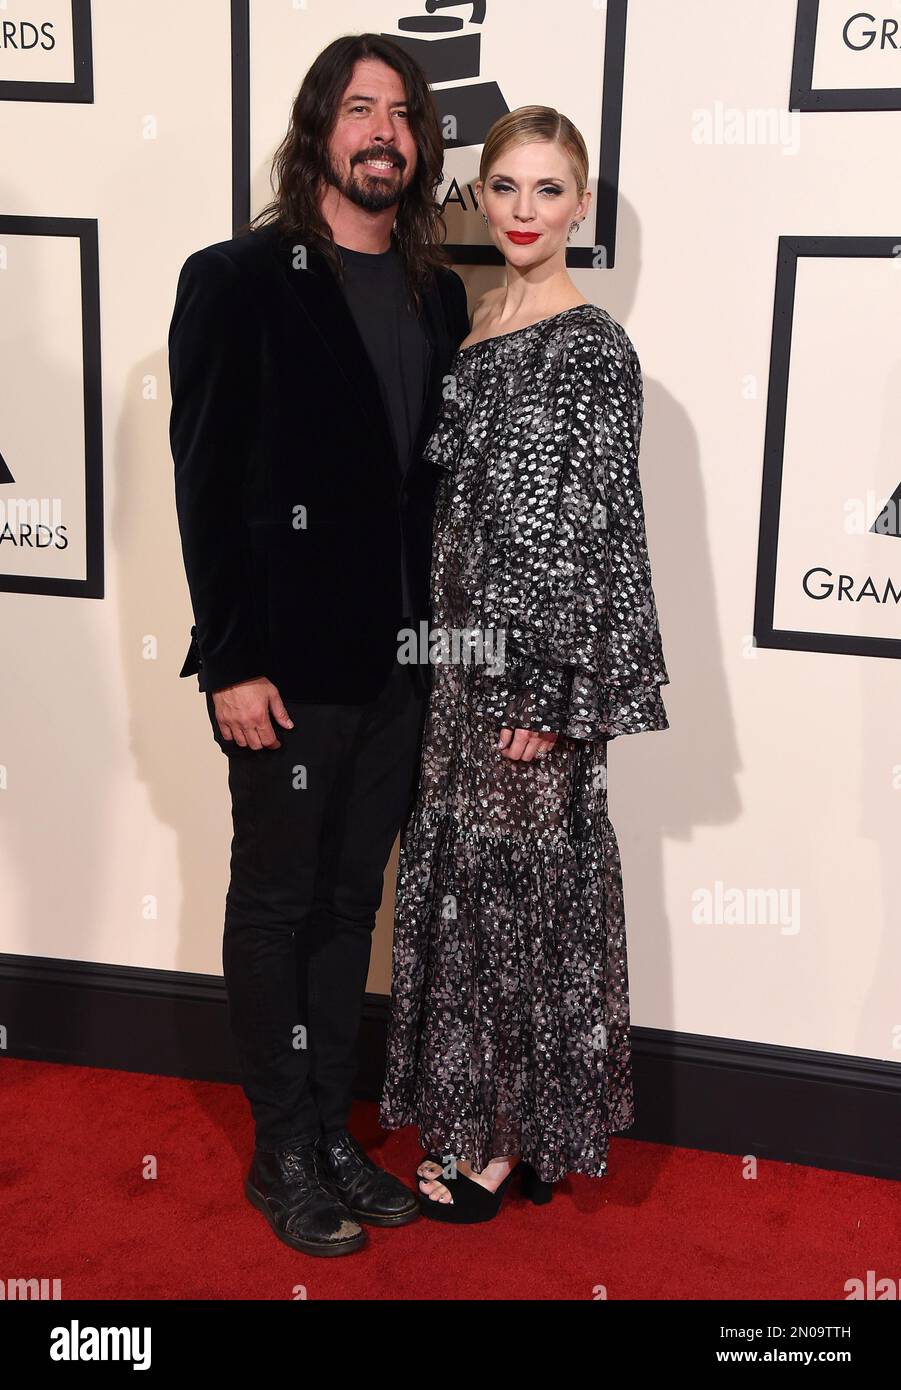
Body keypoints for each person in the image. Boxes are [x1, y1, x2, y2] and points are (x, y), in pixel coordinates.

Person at [168, 33, 469, 1256]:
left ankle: (331, 1127)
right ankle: (280, 1144)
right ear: (318, 132)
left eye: (401, 113)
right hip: (282, 671)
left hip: (400, 667)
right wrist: (231, 657)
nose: (383, 131)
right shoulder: (240, 277)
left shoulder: (433, 291)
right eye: (360, 110)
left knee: (355, 905)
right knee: (279, 900)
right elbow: (204, 479)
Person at [378, 106, 671, 1223]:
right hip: (457, 669)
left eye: (549, 191)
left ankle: (508, 1140)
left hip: (527, 679)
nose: (522, 211)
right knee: (465, 894)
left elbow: (587, 530)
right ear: (480, 194)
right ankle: (495, 1121)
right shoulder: (477, 319)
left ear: (580, 206)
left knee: (520, 901)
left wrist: (546, 691)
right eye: (504, 187)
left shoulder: (591, 347)